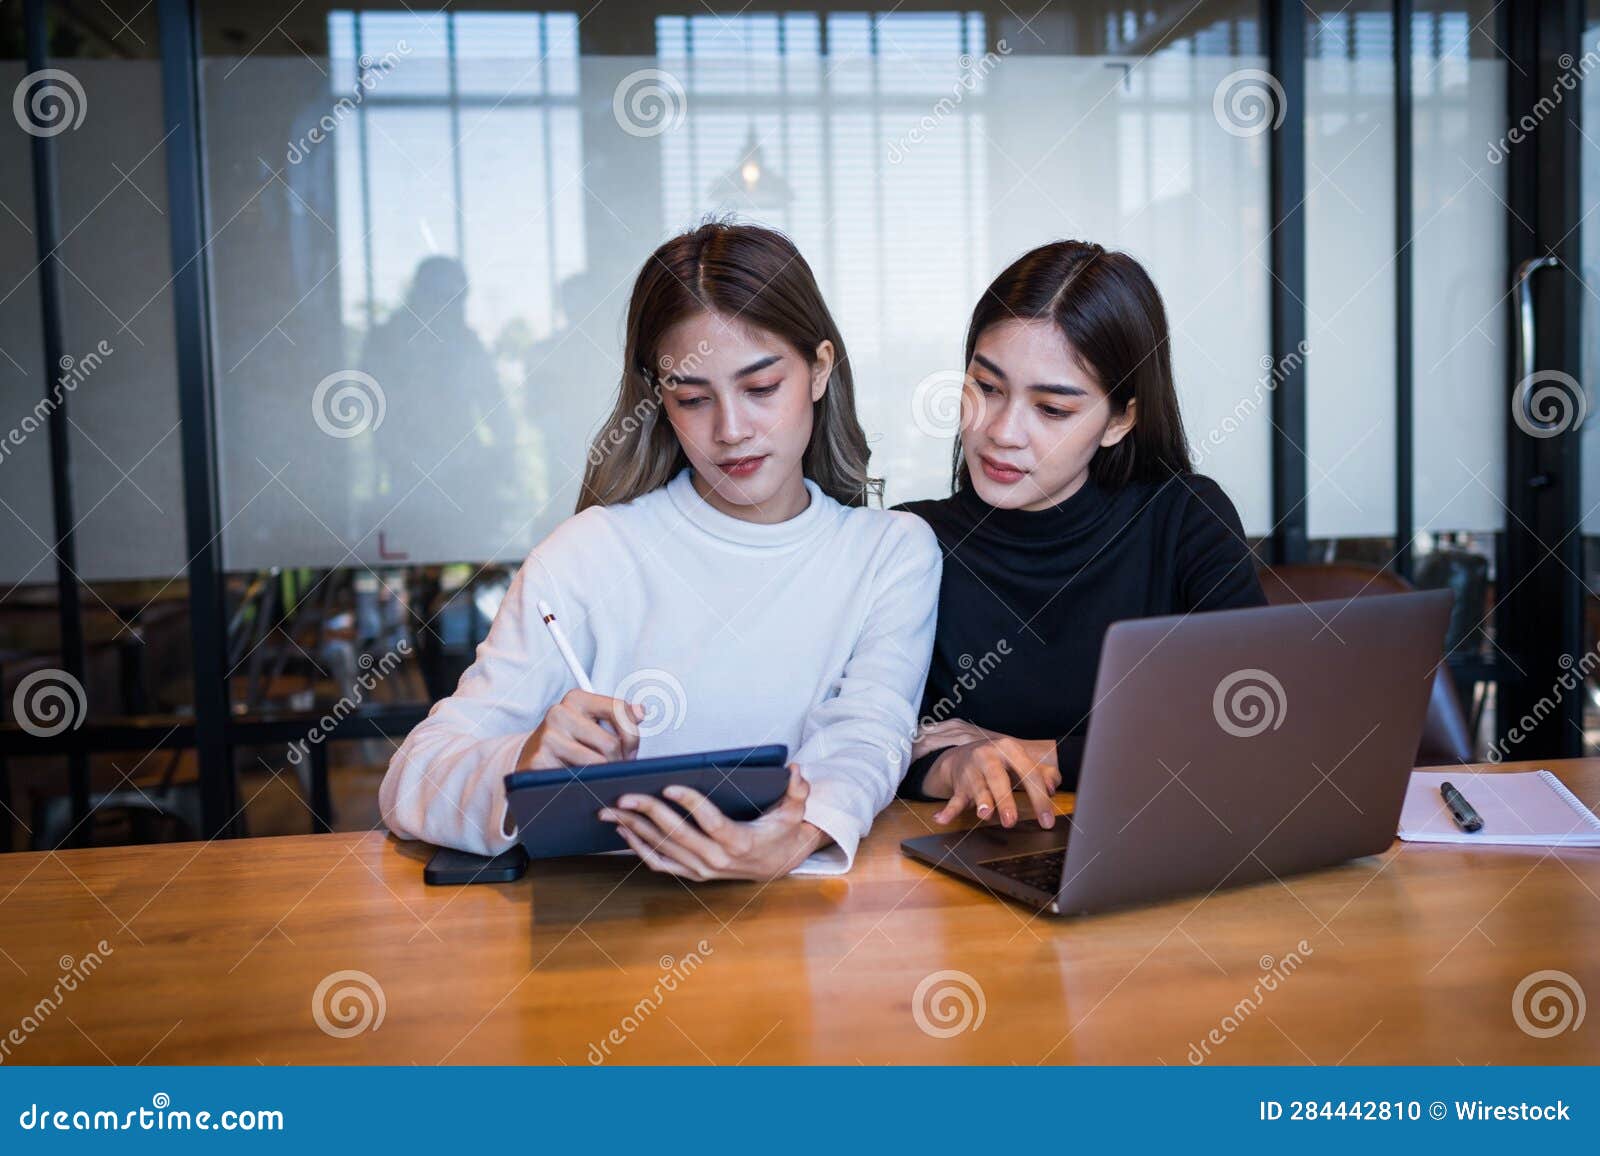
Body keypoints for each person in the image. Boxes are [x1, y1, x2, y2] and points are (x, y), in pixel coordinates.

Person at [380, 221, 941, 879]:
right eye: (692, 397)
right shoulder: (587, 555)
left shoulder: (890, 554)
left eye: (761, 389)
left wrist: (794, 836)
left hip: (799, 934)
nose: (731, 431)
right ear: (658, 397)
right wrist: (521, 760)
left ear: (819, 370)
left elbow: (867, 739)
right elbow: (411, 778)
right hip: (608, 937)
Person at [896, 240, 1266, 828]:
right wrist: (954, 763)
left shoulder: (1183, 520)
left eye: (1051, 409)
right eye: (986, 388)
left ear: (1121, 420)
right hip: (972, 866)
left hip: (1159, 860)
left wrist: (1041, 753)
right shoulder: (910, 541)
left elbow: (1252, 725)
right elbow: (868, 739)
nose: (1002, 432)